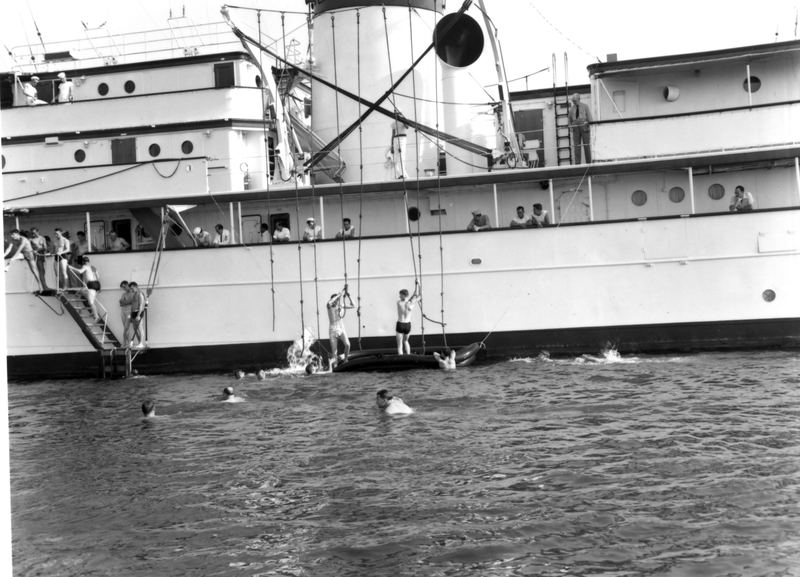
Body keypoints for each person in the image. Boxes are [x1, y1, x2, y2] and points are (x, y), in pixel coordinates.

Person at [327, 285, 354, 367]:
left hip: (341, 329)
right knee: (334, 351)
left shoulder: (341, 306)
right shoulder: (329, 307)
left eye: (336, 301)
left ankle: (346, 360)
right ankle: (335, 367)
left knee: (348, 344)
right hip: (333, 331)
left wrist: (349, 296)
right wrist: (339, 295)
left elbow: (353, 305)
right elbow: (329, 302)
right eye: (334, 301)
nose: (335, 302)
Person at [68, 256, 101, 322]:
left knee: (91, 302)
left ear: (83, 262)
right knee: (90, 300)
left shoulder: (85, 266)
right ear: (88, 261)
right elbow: (98, 276)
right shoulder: (94, 267)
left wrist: (71, 267)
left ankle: (96, 316)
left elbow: (80, 271)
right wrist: (99, 287)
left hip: (91, 284)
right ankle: (93, 312)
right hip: (97, 284)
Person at [396, 280, 421, 355]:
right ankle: (408, 356)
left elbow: (404, 303)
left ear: (403, 295)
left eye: (400, 295)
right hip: (407, 325)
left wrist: (411, 297)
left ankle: (401, 359)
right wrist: (419, 284)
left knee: (400, 345)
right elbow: (420, 295)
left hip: (400, 324)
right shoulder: (411, 303)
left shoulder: (399, 303)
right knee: (406, 341)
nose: (399, 296)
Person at [569, 93, 593, 164]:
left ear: (579, 99)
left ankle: (588, 163)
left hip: (584, 127)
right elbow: (569, 118)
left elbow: (589, 116)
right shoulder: (572, 108)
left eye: (574, 100)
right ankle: (577, 164)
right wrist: (570, 126)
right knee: (576, 145)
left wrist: (592, 126)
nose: (573, 102)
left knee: (587, 145)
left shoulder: (585, 106)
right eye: (573, 101)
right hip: (575, 128)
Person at [390, 111, 409, 179]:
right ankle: (398, 175)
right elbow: (392, 135)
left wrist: (404, 120)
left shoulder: (404, 120)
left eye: (397, 113)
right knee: (396, 158)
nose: (396, 115)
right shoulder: (393, 123)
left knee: (402, 156)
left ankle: (402, 174)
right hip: (395, 139)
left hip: (402, 138)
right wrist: (392, 146)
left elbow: (407, 127)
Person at [129, 282, 146, 348]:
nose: (131, 290)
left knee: (140, 328)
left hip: (138, 313)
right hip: (133, 313)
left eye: (132, 288)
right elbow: (132, 306)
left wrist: (138, 315)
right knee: (135, 329)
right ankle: (139, 343)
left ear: (134, 286)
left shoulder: (140, 294)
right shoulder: (134, 295)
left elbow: (141, 305)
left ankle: (141, 343)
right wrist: (131, 315)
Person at [119, 281, 134, 347]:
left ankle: (125, 342)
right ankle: (127, 342)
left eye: (124, 287)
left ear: (128, 284)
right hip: (123, 311)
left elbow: (132, 301)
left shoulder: (133, 292)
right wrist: (126, 302)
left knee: (126, 327)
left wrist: (124, 301)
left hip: (129, 311)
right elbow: (121, 304)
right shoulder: (123, 294)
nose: (124, 289)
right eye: (123, 288)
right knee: (125, 328)